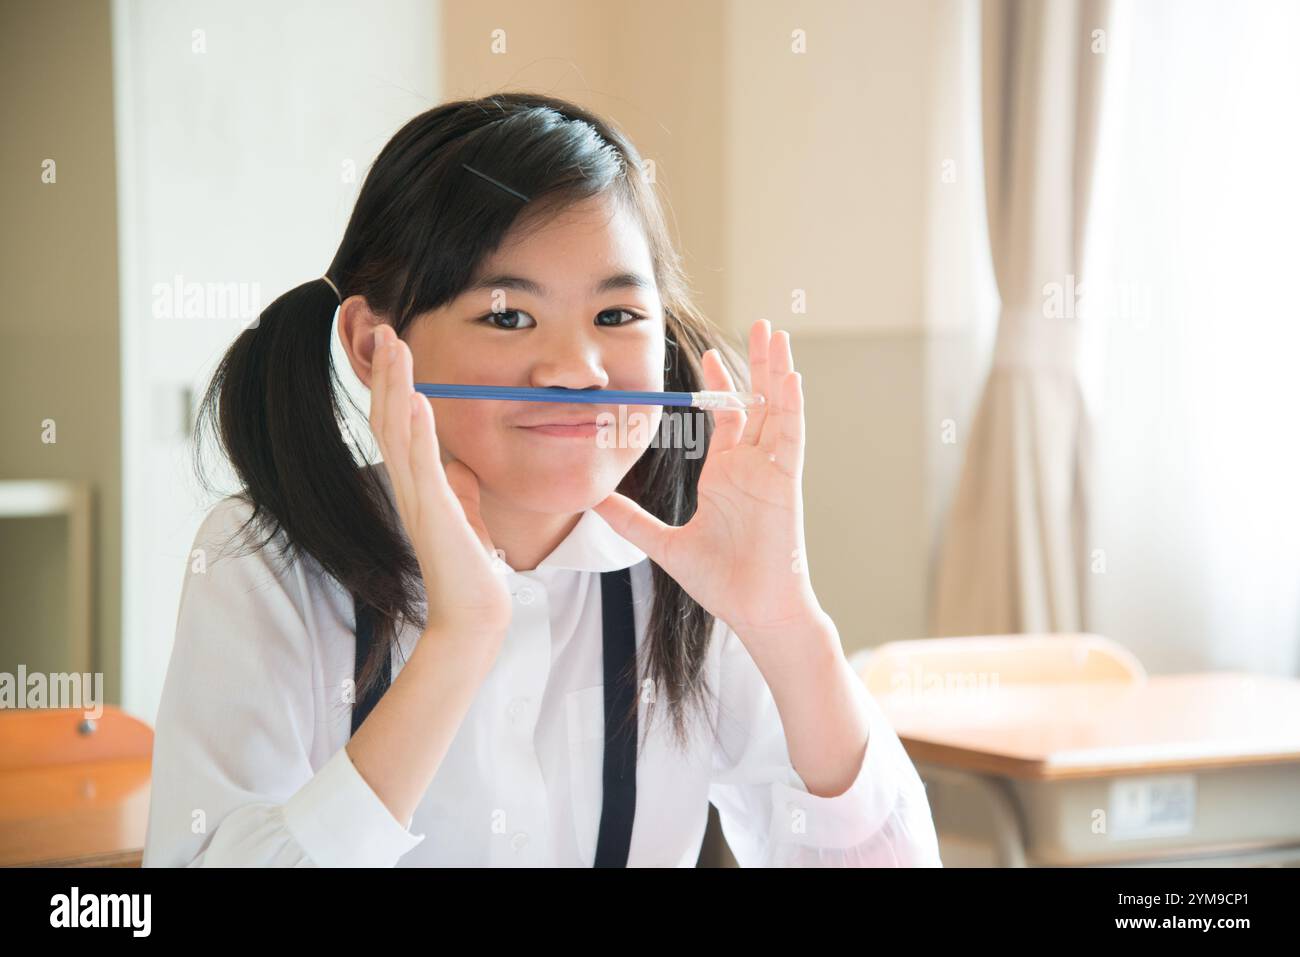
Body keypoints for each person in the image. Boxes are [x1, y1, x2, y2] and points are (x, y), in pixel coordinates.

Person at [142, 92, 942, 867]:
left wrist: (785, 624)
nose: (577, 372)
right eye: (508, 316)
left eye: (617, 316)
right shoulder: (265, 565)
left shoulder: (691, 571)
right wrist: (459, 640)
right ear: (371, 342)